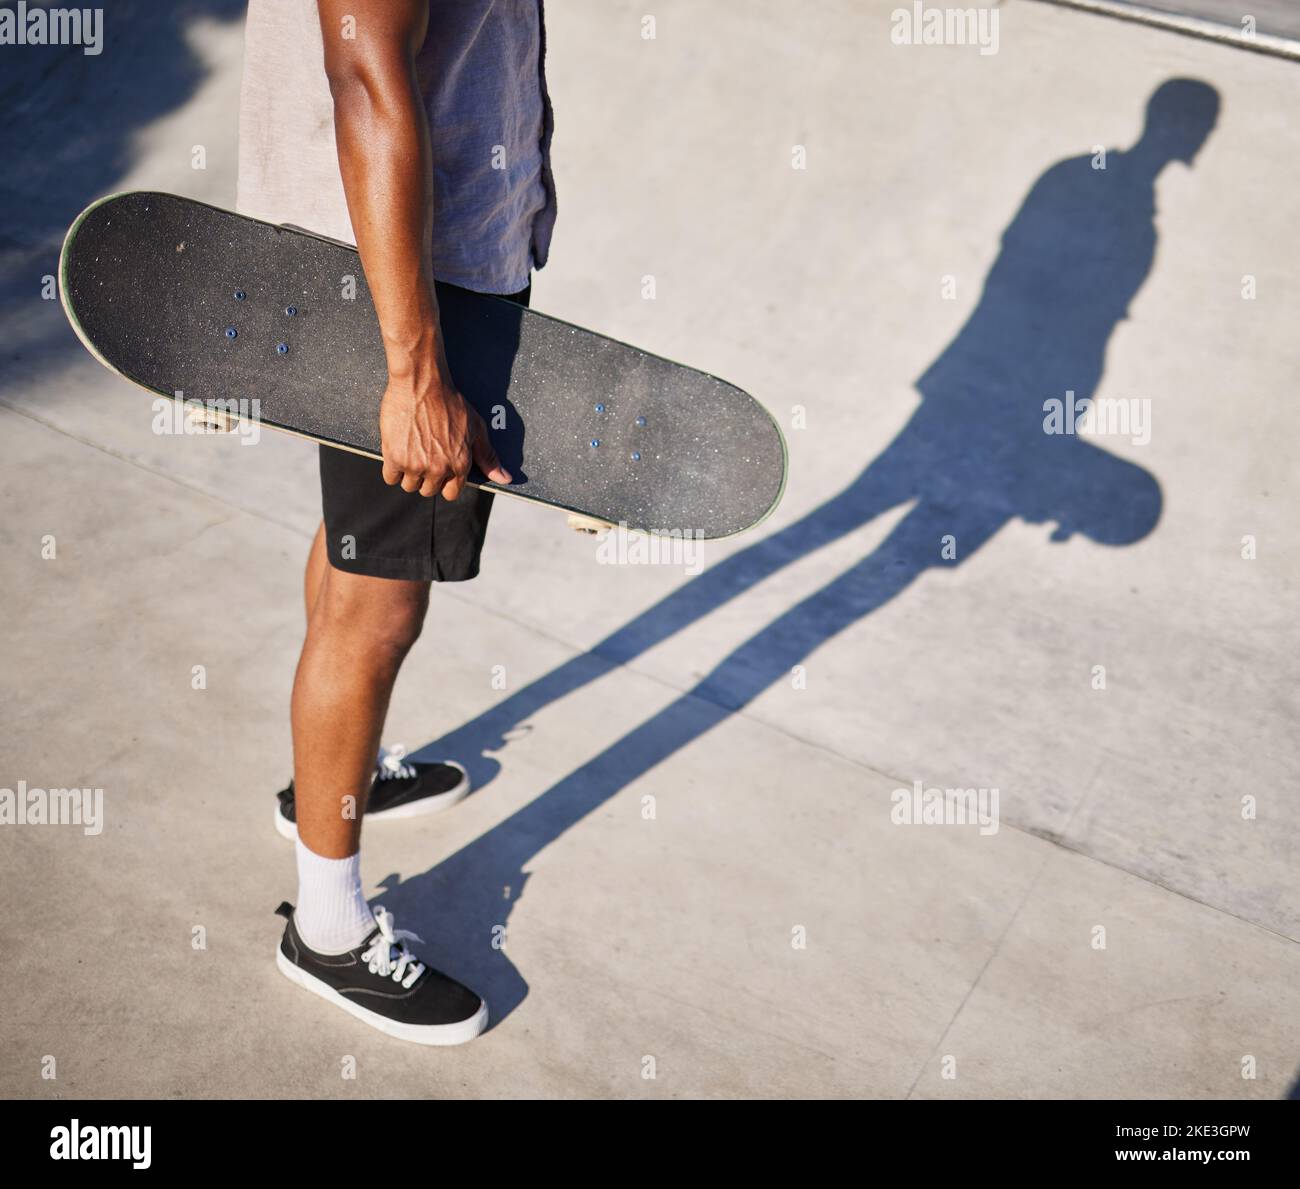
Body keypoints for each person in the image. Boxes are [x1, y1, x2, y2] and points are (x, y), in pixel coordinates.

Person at [236, 0, 556, 1045]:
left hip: (403, 253)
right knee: (381, 606)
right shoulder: (408, 324)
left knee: (358, 551)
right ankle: (327, 929)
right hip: (405, 278)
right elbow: (366, 72)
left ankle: (337, 771)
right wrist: (415, 369)